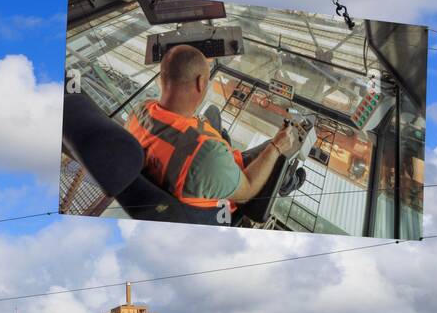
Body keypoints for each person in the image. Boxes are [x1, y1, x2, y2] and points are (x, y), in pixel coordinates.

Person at [126, 44, 304, 215]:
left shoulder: (140, 109)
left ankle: (224, 140)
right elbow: (247, 190)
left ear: (162, 78)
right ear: (201, 83)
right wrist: (276, 147)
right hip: (226, 178)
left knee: (213, 112)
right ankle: (288, 183)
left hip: (199, 162)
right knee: (275, 147)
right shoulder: (208, 155)